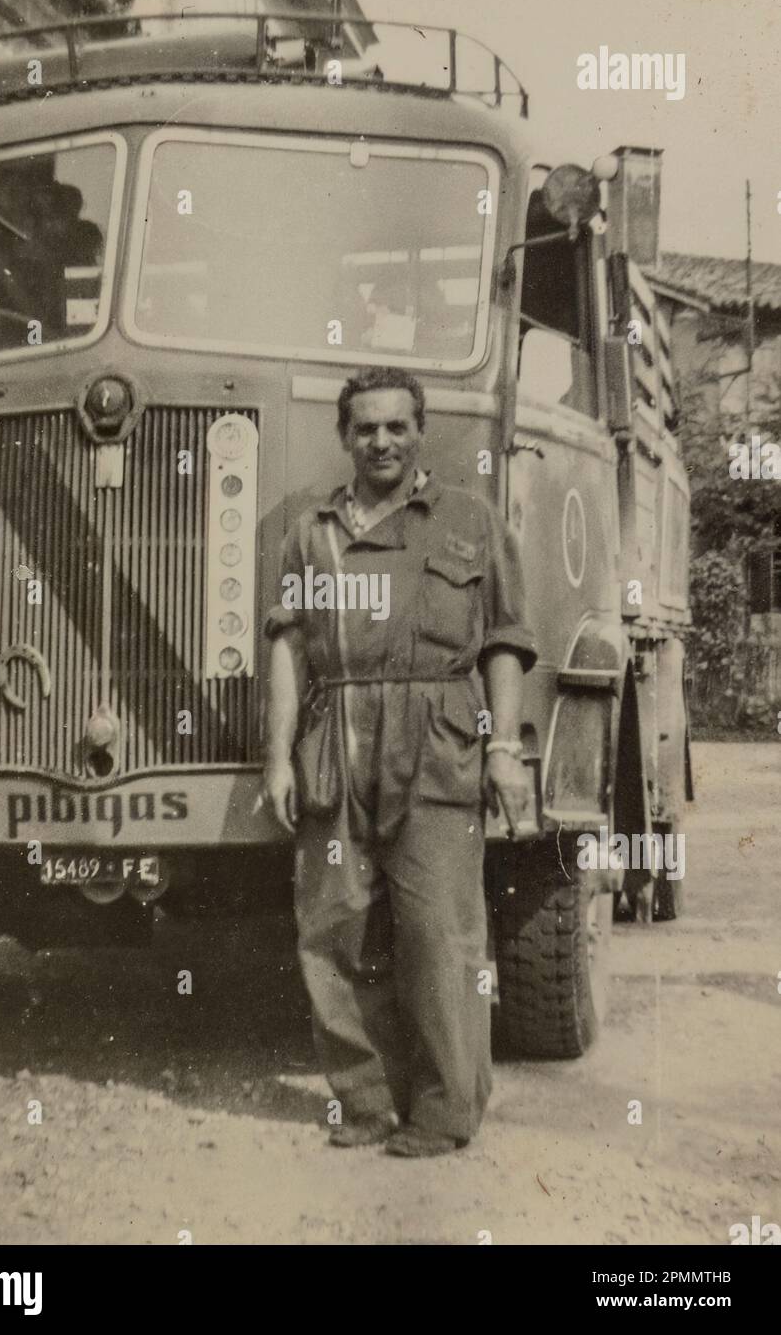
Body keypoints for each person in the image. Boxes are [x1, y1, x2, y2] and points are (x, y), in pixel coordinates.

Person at [263, 365, 538, 1157]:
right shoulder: (312, 532)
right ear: (344, 436)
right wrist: (277, 757)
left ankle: (447, 1110)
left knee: (437, 932)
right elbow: (287, 650)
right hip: (338, 736)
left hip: (439, 738)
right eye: (364, 427)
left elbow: (507, 645)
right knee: (332, 929)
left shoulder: (469, 522)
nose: (380, 440)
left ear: (420, 431)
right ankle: (366, 1100)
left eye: (396, 426)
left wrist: (505, 749)